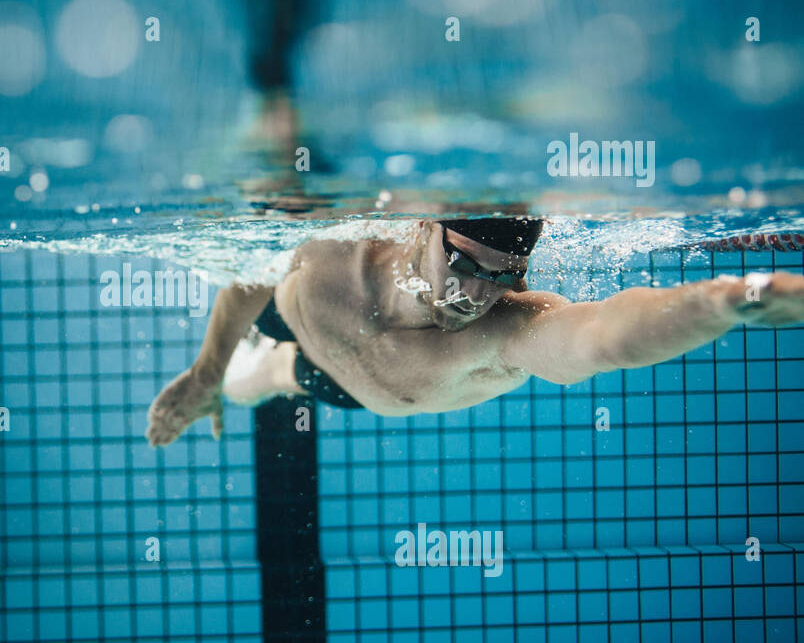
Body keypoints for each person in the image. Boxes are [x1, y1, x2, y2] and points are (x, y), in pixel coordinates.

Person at [145, 216, 804, 446]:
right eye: (462, 263)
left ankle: (255, 377)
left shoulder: (505, 329)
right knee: (266, 320)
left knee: (265, 377)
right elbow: (245, 284)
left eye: (505, 273)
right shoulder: (327, 255)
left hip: (339, 379)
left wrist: (724, 302)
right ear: (425, 229)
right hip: (310, 319)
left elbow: (602, 335)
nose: (477, 294)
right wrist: (201, 371)